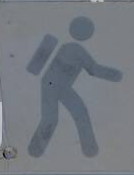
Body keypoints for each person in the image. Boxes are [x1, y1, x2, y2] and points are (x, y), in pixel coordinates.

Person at [27, 16, 122, 158]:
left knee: (76, 112)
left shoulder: (70, 47)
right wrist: (115, 75)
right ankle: (35, 150)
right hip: (52, 85)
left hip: (56, 85)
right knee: (53, 117)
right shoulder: (75, 49)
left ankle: (87, 148)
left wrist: (114, 75)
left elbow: (92, 69)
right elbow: (94, 70)